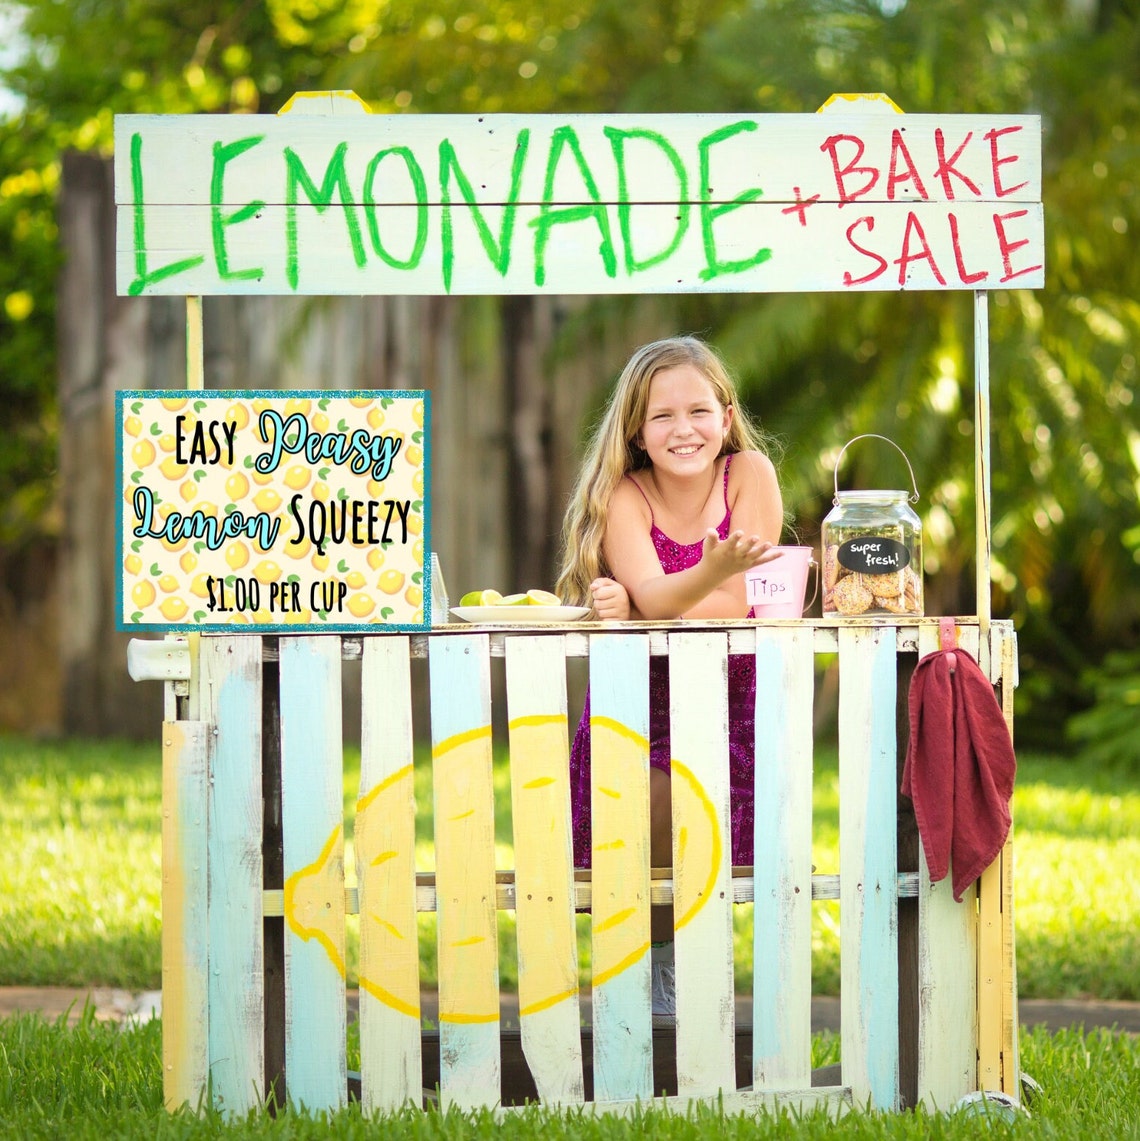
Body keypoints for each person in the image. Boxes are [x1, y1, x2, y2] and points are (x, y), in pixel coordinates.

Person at [555, 335, 783, 1018]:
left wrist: (652, 600)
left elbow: (734, 602)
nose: (684, 429)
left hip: (727, 696)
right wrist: (680, 586)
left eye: (699, 411)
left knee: (708, 839)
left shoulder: (750, 475)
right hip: (641, 698)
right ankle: (652, 972)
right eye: (662, 416)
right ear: (637, 431)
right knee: (643, 830)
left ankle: (695, 966)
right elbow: (662, 596)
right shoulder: (625, 496)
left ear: (726, 416)